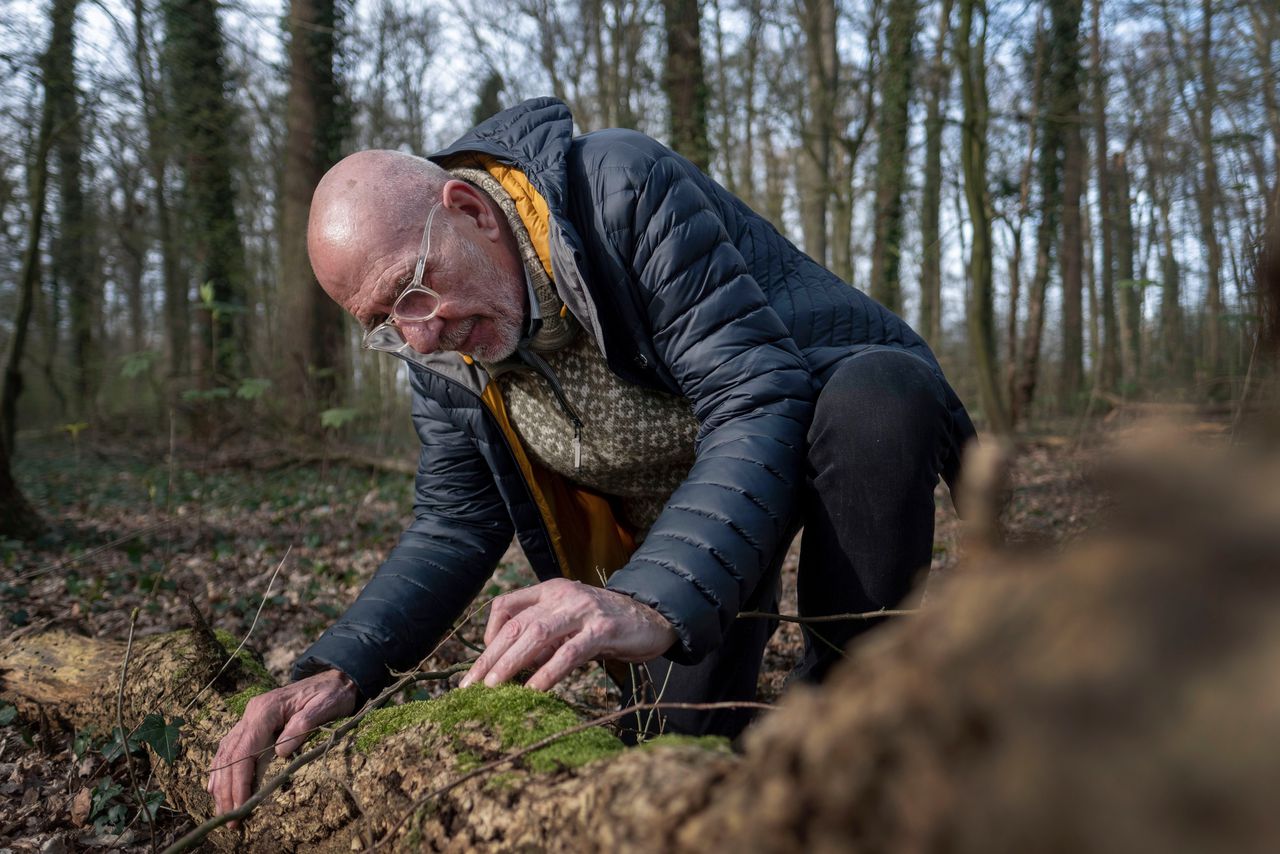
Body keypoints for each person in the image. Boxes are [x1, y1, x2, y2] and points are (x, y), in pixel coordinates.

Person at [207, 97, 976, 817]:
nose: (419, 335)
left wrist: (646, 600)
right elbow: (455, 523)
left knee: (881, 399)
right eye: (384, 322)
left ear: (470, 211)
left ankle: (851, 714)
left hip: (807, 418)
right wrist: (339, 670)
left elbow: (753, 399)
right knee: (673, 750)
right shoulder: (438, 352)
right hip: (682, 511)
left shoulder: (619, 191)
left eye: (412, 292)